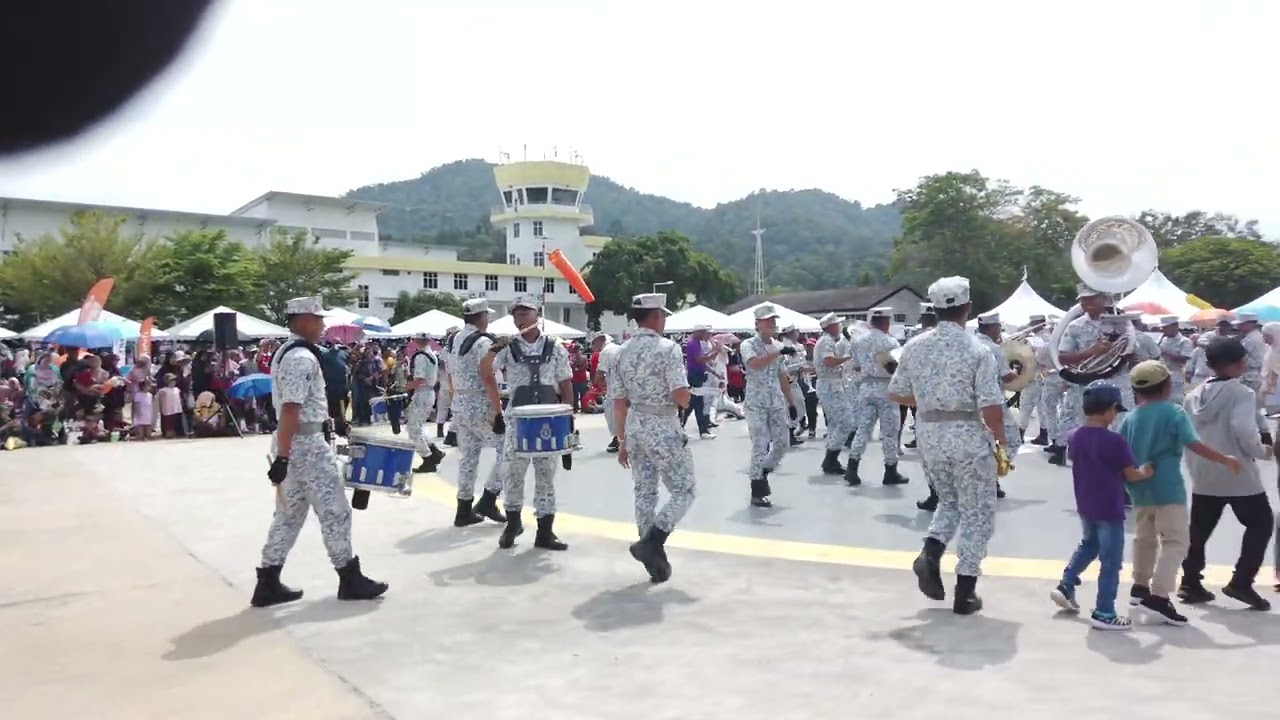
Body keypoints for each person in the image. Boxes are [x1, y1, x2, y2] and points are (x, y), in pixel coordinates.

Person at [251, 296, 386, 608]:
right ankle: (349, 577)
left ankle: (268, 580)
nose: (323, 325)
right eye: (319, 319)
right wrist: (284, 457)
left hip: (295, 444)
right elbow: (291, 408)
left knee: (288, 515)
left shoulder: (286, 352)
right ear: (303, 320)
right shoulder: (302, 358)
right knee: (336, 512)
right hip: (307, 447)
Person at [889, 276, 1007, 615]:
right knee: (978, 513)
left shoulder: (913, 346)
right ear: (967, 309)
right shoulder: (977, 349)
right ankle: (965, 591)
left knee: (950, 501)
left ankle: (930, 552)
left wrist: (928, 400)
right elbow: (991, 406)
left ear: (936, 310)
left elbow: (895, 392)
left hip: (930, 433)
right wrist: (1001, 444)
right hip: (968, 434)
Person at [1118, 359, 1239, 626]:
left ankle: (1139, 587)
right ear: (1168, 385)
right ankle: (1159, 597)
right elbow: (1193, 443)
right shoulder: (1174, 412)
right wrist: (1224, 459)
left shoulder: (1130, 417)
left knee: (1145, 538)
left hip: (1138, 489)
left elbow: (1120, 452)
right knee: (1175, 542)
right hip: (1167, 490)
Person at [1178, 338, 1274, 610]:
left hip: (1203, 470)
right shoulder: (1242, 393)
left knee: (1199, 530)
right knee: (1260, 524)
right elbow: (1244, 430)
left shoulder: (1192, 395)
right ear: (1238, 363)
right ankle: (1241, 582)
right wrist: (1264, 451)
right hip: (1237, 470)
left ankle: (1190, 582)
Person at [1049, 383, 1152, 630]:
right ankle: (1105, 611)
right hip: (1110, 506)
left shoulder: (1074, 435)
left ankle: (1067, 583)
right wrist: (1147, 471)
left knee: (1089, 544)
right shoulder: (1115, 441)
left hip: (1085, 502)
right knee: (1111, 560)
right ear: (1109, 409)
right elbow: (1130, 474)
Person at [613, 293, 695, 583]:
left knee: (644, 491)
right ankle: (654, 540)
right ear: (657, 315)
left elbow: (619, 402)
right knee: (685, 489)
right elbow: (679, 394)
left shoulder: (620, 351)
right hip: (662, 424)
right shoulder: (668, 348)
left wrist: (621, 440)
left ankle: (652, 559)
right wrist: (689, 399)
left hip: (635, 426)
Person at [484, 296, 573, 551]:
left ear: (537, 314)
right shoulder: (508, 348)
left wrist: (568, 419)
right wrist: (494, 349)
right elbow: (486, 373)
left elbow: (566, 382)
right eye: (516, 312)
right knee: (513, 474)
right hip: (518, 420)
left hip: (547, 419)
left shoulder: (554, 346)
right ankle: (513, 523)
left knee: (546, 476)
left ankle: (545, 531)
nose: (520, 315)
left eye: (526, 311)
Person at [1050, 285, 1128, 466]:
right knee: (1082, 424)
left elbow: (1130, 348)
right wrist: (1091, 352)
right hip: (1086, 384)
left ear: (1102, 299)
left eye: (1092, 298)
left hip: (1115, 381)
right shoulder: (1075, 326)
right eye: (1083, 299)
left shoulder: (1120, 322)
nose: (1086, 303)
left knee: (1119, 425)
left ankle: (1117, 461)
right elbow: (1063, 357)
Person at [446, 299, 507, 527]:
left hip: (460, 403)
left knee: (468, 458)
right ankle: (489, 499)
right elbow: (489, 378)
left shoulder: (453, 340)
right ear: (481, 317)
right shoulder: (482, 343)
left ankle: (463, 510)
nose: (488, 320)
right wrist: (498, 412)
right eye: (487, 316)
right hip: (480, 403)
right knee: (508, 451)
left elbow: (450, 372)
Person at [740, 304, 799, 507]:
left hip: (775, 402)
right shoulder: (748, 344)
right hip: (756, 403)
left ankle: (762, 471)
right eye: (768, 320)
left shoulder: (777, 345)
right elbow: (754, 364)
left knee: (783, 444)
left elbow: (782, 376)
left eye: (774, 320)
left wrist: (791, 402)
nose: (772, 323)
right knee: (760, 443)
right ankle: (757, 488)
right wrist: (778, 351)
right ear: (758, 323)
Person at [846, 307, 909, 487]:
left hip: (866, 386)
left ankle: (852, 466)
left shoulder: (858, 341)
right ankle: (890, 470)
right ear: (886, 321)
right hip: (885, 388)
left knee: (863, 429)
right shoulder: (891, 342)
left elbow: (856, 366)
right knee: (889, 430)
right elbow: (897, 369)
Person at [813, 312, 854, 475]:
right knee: (846, 422)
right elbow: (828, 361)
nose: (840, 327)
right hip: (830, 385)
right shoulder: (826, 342)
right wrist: (846, 358)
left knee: (835, 423)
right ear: (830, 326)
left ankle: (831, 458)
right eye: (837, 324)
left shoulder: (828, 341)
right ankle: (830, 457)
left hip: (830, 384)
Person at [404, 332, 447, 475]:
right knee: (419, 426)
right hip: (429, 392)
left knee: (413, 429)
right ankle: (434, 452)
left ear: (416, 340)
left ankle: (427, 459)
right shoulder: (432, 355)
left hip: (422, 393)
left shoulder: (421, 357)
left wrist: (404, 387)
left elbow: (419, 379)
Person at [1233, 312, 1273, 445]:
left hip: (1250, 375)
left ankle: (1262, 434)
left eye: (1242, 324)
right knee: (1253, 407)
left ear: (1250, 324)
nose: (1239, 327)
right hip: (1258, 375)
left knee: (1249, 407)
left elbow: (1244, 359)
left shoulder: (1249, 340)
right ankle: (1264, 434)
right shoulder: (1259, 336)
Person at [592, 331, 623, 452]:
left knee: (612, 415)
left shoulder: (606, 352)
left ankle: (618, 439)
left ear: (600, 341)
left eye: (594, 344)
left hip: (615, 389)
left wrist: (597, 384)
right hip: (626, 388)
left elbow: (600, 373)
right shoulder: (620, 348)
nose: (594, 348)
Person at [1156, 316, 1193, 403]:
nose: (1163, 330)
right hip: (1161, 374)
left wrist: (1165, 352)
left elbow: (1184, 358)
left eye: (1165, 327)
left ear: (1175, 326)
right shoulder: (1162, 340)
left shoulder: (1184, 341)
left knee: (1175, 400)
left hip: (1175, 374)